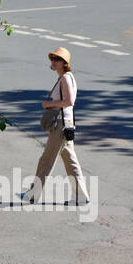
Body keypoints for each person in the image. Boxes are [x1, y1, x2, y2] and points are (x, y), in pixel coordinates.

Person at [20, 47, 90, 208]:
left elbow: (69, 101)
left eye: (56, 59)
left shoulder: (65, 78)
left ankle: (32, 194)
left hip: (60, 125)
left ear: (64, 63)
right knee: (70, 161)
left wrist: (49, 104)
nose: (53, 62)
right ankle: (81, 197)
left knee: (46, 160)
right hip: (66, 123)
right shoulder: (66, 77)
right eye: (52, 58)